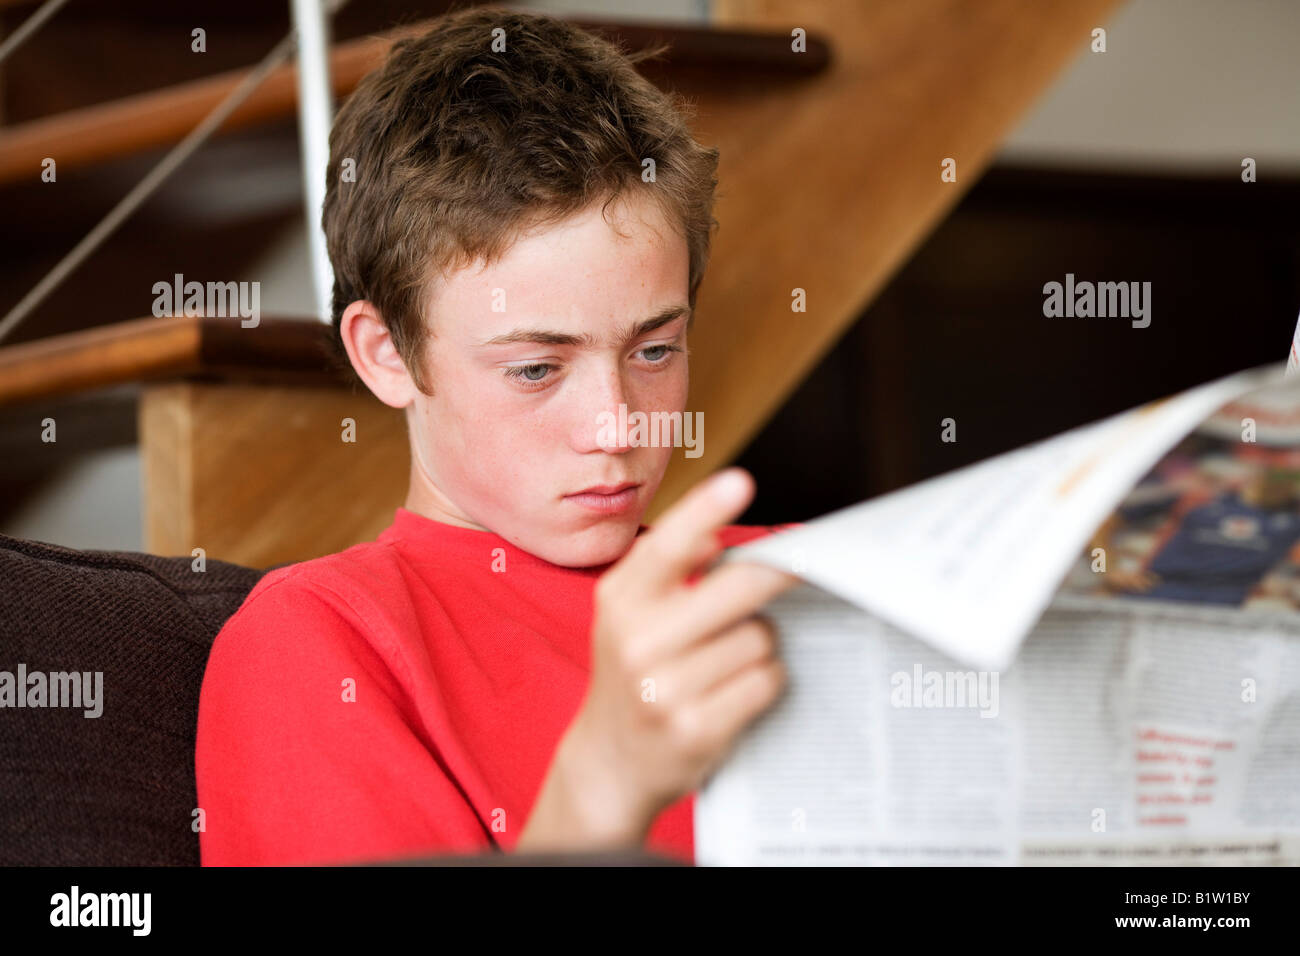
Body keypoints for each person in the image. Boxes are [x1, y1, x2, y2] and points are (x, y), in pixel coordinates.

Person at [194, 6, 799, 866]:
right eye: (537, 370)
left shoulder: (787, 573)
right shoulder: (318, 644)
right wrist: (600, 791)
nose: (617, 427)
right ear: (388, 354)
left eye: (654, 348)